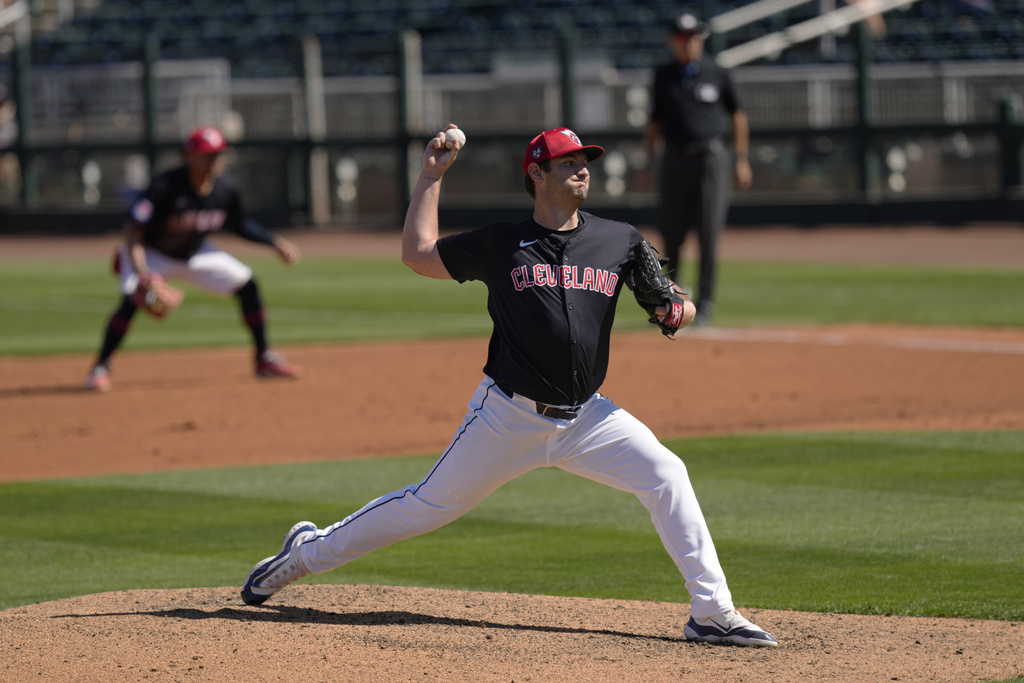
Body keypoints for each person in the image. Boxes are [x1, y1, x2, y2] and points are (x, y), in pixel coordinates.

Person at [239, 125, 778, 648]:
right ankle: (304, 554)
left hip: (588, 418)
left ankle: (712, 613)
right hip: (507, 417)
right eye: (568, 163)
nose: (582, 170)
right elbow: (417, 253)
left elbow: (671, 299)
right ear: (537, 174)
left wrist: (677, 309)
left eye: (584, 162)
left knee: (666, 473)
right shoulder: (502, 242)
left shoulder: (619, 240)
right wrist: (431, 177)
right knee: (426, 506)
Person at [84, 125, 302, 392]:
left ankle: (264, 358)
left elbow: (240, 224)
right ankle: (100, 367)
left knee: (248, 286)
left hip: (195, 253)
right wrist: (144, 275)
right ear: (188, 156)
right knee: (132, 300)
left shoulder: (225, 187)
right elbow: (133, 231)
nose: (214, 160)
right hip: (150, 253)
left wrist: (274, 243)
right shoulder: (165, 186)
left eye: (218, 154)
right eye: (207, 155)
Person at [644, 12, 752, 326]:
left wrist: (741, 158)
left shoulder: (717, 72)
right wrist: (648, 161)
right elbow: (654, 121)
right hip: (674, 159)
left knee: (708, 233)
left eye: (694, 36)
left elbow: (738, 115)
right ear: (672, 41)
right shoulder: (663, 75)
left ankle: (704, 304)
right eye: (683, 37)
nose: (689, 42)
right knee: (671, 233)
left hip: (711, 160)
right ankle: (673, 297)